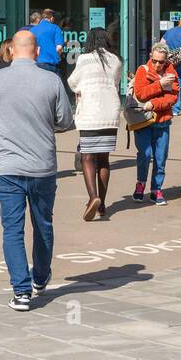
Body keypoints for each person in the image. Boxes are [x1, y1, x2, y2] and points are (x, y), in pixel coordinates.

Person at [0, 30, 74, 311]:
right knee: (43, 224)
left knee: (12, 230)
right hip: (43, 166)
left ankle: (21, 291)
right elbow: (65, 121)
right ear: (37, 52)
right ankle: (40, 278)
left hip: (7, 166)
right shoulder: (52, 79)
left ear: (11, 51)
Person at [67, 27, 122, 221]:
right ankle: (103, 205)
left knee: (87, 156)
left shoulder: (84, 59)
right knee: (104, 159)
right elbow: (116, 83)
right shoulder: (116, 60)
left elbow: (73, 82)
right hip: (110, 112)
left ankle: (93, 197)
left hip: (91, 112)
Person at [131, 41, 179, 205]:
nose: (158, 64)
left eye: (162, 61)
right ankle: (140, 184)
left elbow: (172, 97)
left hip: (163, 121)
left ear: (166, 60)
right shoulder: (142, 70)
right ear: (150, 56)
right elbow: (141, 94)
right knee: (144, 155)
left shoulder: (171, 72)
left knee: (160, 157)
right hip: (143, 121)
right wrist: (160, 85)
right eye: (155, 60)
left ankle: (156, 189)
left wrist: (154, 103)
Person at [31, 9, 65, 75]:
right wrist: (55, 56)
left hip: (36, 64)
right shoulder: (55, 28)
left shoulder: (32, 30)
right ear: (52, 18)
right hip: (51, 65)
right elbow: (59, 47)